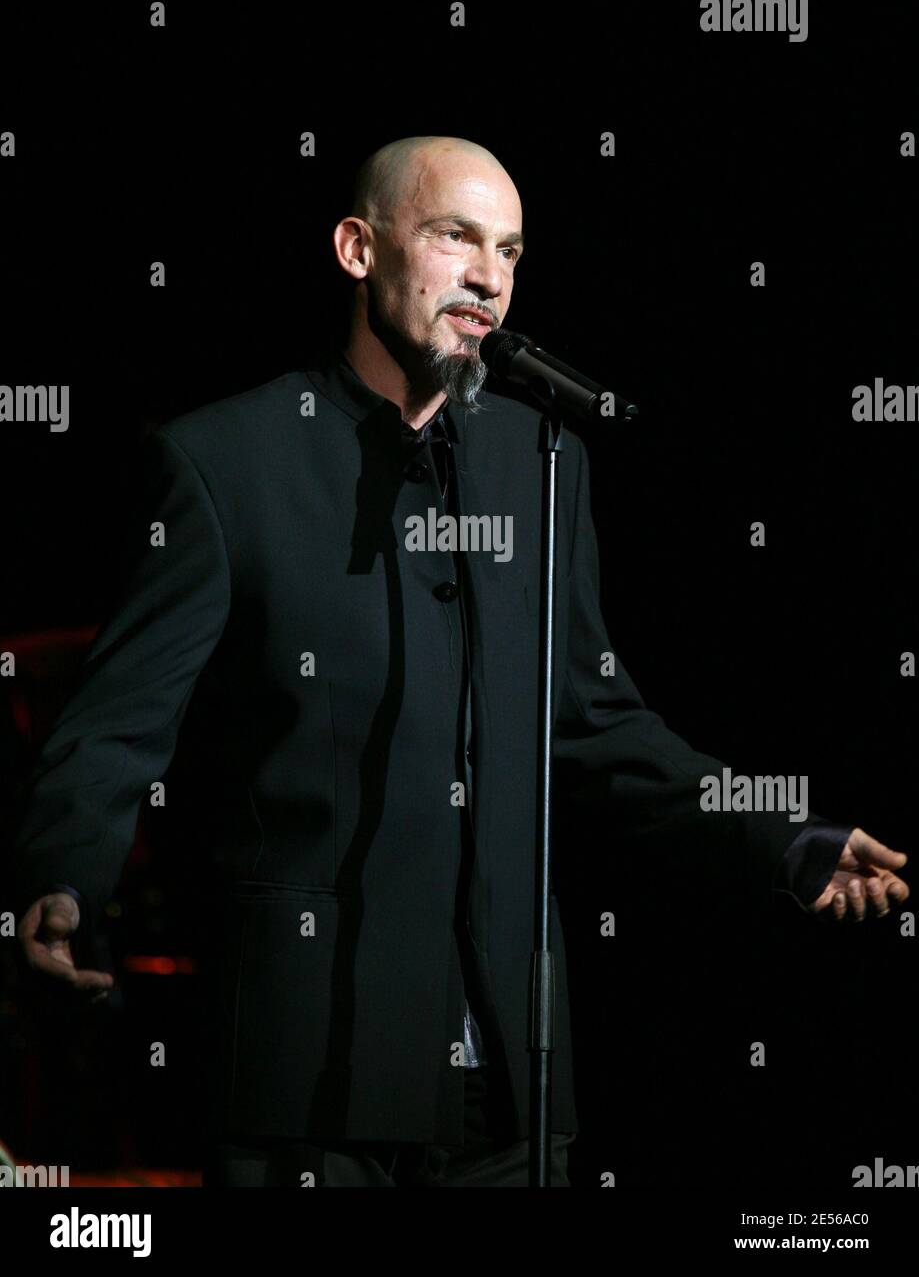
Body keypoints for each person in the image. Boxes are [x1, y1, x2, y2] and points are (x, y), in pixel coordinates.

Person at [12, 136, 910, 1187]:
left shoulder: (541, 461)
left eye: (511, 250)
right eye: (454, 237)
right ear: (359, 247)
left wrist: (782, 834)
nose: (489, 275)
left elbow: (596, 719)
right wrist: (58, 883)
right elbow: (120, 721)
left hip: (510, 1085)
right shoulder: (226, 463)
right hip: (307, 1075)